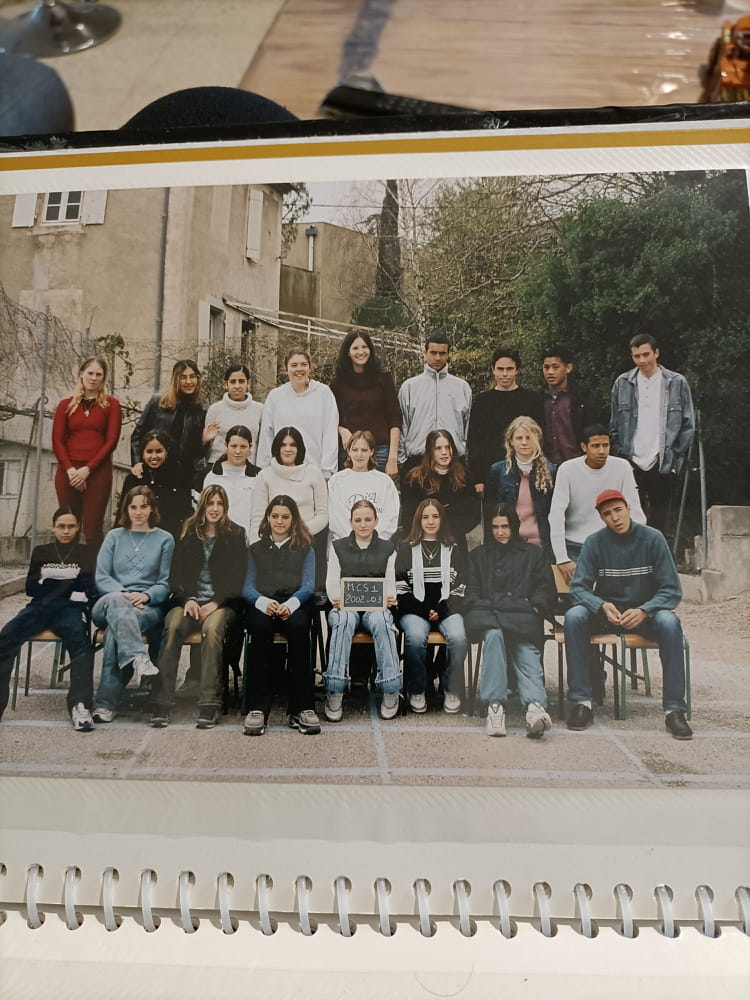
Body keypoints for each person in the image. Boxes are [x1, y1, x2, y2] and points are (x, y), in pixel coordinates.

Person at [564, 490, 693, 740]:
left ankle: (674, 709)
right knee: (574, 616)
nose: (615, 517)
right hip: (608, 613)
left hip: (645, 614)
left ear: (628, 508)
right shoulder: (594, 542)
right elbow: (578, 587)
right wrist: (600, 605)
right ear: (602, 518)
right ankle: (582, 702)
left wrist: (646, 609)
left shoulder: (653, 539)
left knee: (670, 621)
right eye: (607, 514)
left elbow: (671, 590)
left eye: (618, 510)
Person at [150, 485, 247, 730]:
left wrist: (215, 602)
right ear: (202, 506)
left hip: (222, 604)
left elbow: (238, 580)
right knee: (172, 627)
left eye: (220, 504)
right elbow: (175, 577)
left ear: (225, 507)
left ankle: (209, 702)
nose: (215, 509)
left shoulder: (235, 534)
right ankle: (161, 701)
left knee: (212, 630)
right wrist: (189, 599)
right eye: (210, 503)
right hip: (189, 602)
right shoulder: (187, 532)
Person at [0, 508, 96, 730]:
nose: (66, 531)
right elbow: (31, 587)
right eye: (61, 526)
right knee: (5, 637)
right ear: (53, 527)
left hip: (70, 610)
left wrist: (51, 583)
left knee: (81, 645)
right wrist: (69, 584)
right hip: (39, 608)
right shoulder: (41, 551)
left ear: (78, 527)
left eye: (71, 526)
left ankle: (80, 706)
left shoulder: (86, 552)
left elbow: (85, 586)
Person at [465, 504, 555, 739]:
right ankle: (495, 707)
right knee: (494, 636)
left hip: (522, 619)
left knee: (525, 646)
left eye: (505, 526)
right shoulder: (479, 555)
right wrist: (514, 607)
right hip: (493, 619)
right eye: (495, 527)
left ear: (514, 526)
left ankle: (535, 707)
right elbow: (471, 593)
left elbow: (545, 589)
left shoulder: (533, 554)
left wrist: (533, 606)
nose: (500, 532)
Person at [91, 485, 175, 722]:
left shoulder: (164, 539)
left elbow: (165, 583)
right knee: (118, 606)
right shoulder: (114, 536)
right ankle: (139, 656)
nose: (138, 512)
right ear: (126, 509)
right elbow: (102, 577)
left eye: (144, 506)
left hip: (145, 607)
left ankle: (105, 704)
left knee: (114, 634)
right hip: (109, 602)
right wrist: (124, 595)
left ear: (152, 509)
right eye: (133, 507)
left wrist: (147, 596)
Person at [242, 494, 320, 737]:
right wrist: (263, 602)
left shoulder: (305, 547)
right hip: (264, 605)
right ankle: (257, 708)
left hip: (293, 605)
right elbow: (246, 587)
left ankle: (301, 708)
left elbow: (308, 585)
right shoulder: (255, 549)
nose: (279, 521)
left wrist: (293, 604)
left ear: (293, 519)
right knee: (259, 630)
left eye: (285, 517)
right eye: (275, 516)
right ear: (267, 518)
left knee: (299, 630)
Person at [609, 333, 694, 537]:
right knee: (629, 515)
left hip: (661, 460)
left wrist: (674, 454)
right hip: (631, 460)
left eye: (646, 354)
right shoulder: (622, 383)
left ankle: (657, 561)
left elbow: (688, 424)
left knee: (660, 518)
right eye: (637, 356)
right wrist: (621, 456)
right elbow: (614, 425)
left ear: (656, 353)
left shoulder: (676, 383)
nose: (642, 360)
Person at [324, 499, 401, 723]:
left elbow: (390, 580)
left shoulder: (388, 548)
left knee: (382, 622)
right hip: (345, 607)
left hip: (374, 609)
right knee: (343, 621)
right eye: (358, 520)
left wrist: (389, 597)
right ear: (350, 522)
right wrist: (335, 598)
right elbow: (331, 581)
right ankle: (335, 688)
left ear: (376, 521)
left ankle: (390, 686)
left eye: (368, 519)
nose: (363, 524)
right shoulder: (338, 546)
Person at [395, 499, 467, 714]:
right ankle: (417, 688)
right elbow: (400, 587)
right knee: (415, 637)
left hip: (446, 610)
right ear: (418, 520)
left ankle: (450, 687)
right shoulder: (406, 549)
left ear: (442, 520)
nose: (430, 521)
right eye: (425, 517)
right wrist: (425, 611)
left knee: (459, 637)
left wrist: (441, 610)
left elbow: (461, 587)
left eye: (435, 516)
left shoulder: (454, 549)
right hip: (415, 610)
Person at [549, 424, 646, 585]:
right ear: (583, 447)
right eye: (595, 446)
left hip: (614, 544)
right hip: (575, 547)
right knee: (578, 596)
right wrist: (562, 558)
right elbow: (556, 515)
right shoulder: (567, 470)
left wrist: (632, 548)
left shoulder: (622, 467)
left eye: (605, 445)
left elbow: (634, 511)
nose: (601, 451)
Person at [52, 356, 122, 548]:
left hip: (97, 472)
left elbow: (111, 440)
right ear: (81, 374)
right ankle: (66, 572)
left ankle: (92, 575)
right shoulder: (65, 405)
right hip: (69, 472)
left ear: (103, 378)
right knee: (68, 524)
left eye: (98, 374)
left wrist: (88, 469)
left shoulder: (111, 404)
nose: (93, 378)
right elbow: (57, 441)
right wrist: (70, 470)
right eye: (90, 373)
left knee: (92, 527)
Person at [467, 347, 543, 495]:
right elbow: (474, 442)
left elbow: (539, 438)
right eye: (500, 369)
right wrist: (477, 478)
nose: (505, 374)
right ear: (493, 369)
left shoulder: (532, 400)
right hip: (491, 473)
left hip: (526, 470)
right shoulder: (482, 401)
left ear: (517, 370)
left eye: (509, 369)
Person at [255, 347, 339, 479]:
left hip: (314, 472)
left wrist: (327, 471)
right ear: (285, 369)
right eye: (294, 365)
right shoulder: (275, 396)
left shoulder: (324, 393)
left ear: (310, 368)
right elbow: (267, 435)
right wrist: (263, 470)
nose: (299, 369)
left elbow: (330, 435)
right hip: (281, 472)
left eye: (304, 365)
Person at [397, 330, 472, 472]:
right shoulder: (410, 387)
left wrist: (465, 460)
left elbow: (467, 427)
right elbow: (402, 426)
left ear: (448, 354)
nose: (437, 358)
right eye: (433, 353)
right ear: (424, 352)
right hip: (417, 461)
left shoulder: (461, 387)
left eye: (442, 353)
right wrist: (402, 460)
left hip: (453, 462)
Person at [329, 331, 402, 475]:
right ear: (348, 352)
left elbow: (395, 419)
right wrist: (342, 430)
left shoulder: (384, 379)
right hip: (349, 452)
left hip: (380, 451)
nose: (360, 352)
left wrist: (392, 458)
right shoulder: (337, 383)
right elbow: (328, 416)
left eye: (364, 347)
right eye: (355, 348)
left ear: (370, 350)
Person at [130, 359, 207, 491]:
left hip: (181, 477)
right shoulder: (158, 403)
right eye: (183, 377)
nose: (188, 382)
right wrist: (137, 461)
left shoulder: (200, 410)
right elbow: (138, 435)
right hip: (154, 471)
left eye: (192, 376)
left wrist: (204, 441)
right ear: (175, 379)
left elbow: (195, 453)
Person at [485, 416, 556, 557]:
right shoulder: (498, 470)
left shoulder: (550, 471)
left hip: (540, 544)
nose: (524, 443)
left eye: (529, 438)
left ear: (537, 440)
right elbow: (489, 513)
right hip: (508, 542)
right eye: (519, 438)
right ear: (510, 441)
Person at [401, 429, 480, 550]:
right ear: (430, 451)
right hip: (423, 542)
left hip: (454, 541)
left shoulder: (464, 477)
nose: (444, 452)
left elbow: (473, 514)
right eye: (438, 448)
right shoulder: (415, 479)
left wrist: (447, 532)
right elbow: (408, 516)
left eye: (448, 447)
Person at [249, 427, 328, 544]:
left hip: (307, 539)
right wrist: (255, 547)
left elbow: (322, 515)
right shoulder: (265, 475)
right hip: (273, 542)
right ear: (277, 447)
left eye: (293, 445)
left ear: (299, 448)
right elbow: (258, 516)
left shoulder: (314, 473)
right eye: (283, 445)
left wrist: (297, 532)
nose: (288, 449)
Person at [327, 430, 400, 543]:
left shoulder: (384, 481)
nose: (359, 455)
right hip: (345, 545)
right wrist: (355, 539)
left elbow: (391, 515)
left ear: (371, 451)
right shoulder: (337, 481)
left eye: (364, 450)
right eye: (355, 450)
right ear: (348, 451)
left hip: (378, 546)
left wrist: (373, 539)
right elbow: (336, 516)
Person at [118, 430, 192, 538]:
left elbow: (186, 512)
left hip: (169, 537)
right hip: (137, 536)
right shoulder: (135, 478)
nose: (154, 456)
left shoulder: (178, 477)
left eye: (158, 451)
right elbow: (123, 513)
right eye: (149, 451)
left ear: (166, 451)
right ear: (142, 453)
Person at [540, 345, 603, 467]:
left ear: (568, 368)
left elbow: (594, 432)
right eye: (546, 367)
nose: (550, 372)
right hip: (547, 468)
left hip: (579, 465)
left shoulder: (584, 398)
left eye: (555, 367)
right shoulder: (538, 400)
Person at [203, 425, 261, 541]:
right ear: (226, 446)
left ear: (250, 448)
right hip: (215, 541)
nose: (238, 451)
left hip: (248, 541)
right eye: (233, 446)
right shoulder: (209, 474)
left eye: (243, 446)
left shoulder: (259, 476)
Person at [203, 363, 264, 465]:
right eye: (232, 382)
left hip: (249, 469)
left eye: (241, 381)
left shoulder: (259, 409)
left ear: (248, 383)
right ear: (226, 384)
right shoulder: (215, 409)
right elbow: (207, 444)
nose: (237, 386)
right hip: (218, 468)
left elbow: (263, 443)